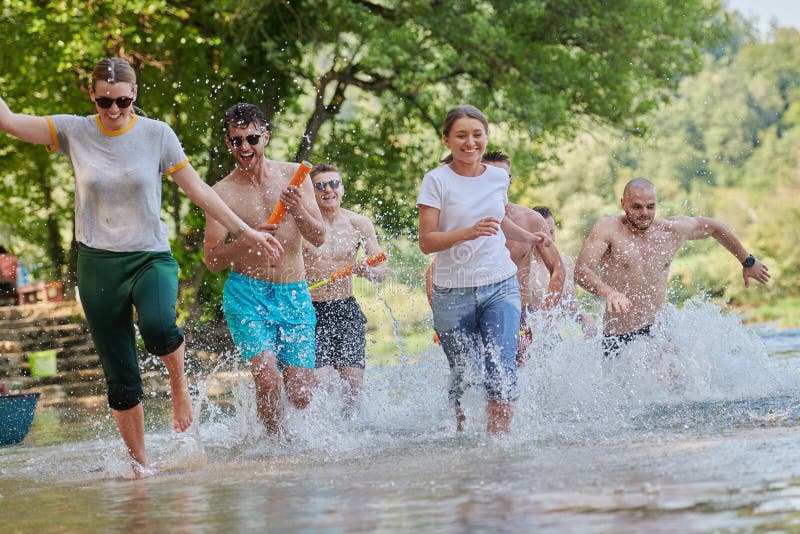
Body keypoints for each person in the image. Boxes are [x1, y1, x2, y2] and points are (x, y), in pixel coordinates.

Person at [0, 58, 282, 477]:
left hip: (150, 256)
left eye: (123, 100)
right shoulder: (73, 130)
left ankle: (178, 384)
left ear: (135, 95)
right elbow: (6, 120)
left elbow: (199, 191)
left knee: (158, 326)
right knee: (120, 374)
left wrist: (246, 230)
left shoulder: (157, 135)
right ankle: (140, 467)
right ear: (91, 96)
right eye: (104, 101)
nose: (114, 110)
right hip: (97, 264)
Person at [417, 104, 552, 434]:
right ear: (447, 140)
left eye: (477, 135)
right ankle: (465, 439)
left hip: (500, 285)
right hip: (453, 290)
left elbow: (499, 218)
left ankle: (498, 447)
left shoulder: (497, 177)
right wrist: (468, 233)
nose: (470, 142)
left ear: (485, 137)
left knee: (501, 369)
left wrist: (529, 236)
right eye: (461, 135)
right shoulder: (435, 181)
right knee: (465, 374)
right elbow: (427, 241)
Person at [204, 103, 326, 434]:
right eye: (236, 141)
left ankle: (299, 444)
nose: (244, 148)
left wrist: (299, 210)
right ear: (228, 143)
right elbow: (212, 260)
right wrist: (247, 238)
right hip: (247, 294)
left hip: (294, 292)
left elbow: (319, 237)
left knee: (301, 394)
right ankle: (272, 451)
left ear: (266, 137)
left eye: (251, 139)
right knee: (269, 382)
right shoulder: (221, 193)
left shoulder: (295, 177)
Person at [574, 177, 770, 359]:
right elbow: (581, 271)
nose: (644, 213)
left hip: (659, 330)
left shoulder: (670, 231)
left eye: (650, 207)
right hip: (619, 338)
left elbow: (714, 228)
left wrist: (747, 261)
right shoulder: (608, 230)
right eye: (637, 207)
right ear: (623, 203)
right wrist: (608, 293)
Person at [302, 163, 387, 416]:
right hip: (310, 309)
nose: (328, 189)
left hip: (344, 307)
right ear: (312, 191)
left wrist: (368, 270)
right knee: (321, 381)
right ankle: (320, 435)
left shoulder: (359, 224)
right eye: (320, 186)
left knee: (354, 386)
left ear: (342, 188)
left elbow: (381, 272)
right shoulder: (302, 224)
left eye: (333, 184)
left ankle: (351, 436)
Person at [482, 152, 565, 366]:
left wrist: (546, 312)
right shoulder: (464, 218)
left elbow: (557, 267)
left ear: (509, 181)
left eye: (501, 177)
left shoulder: (531, 220)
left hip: (520, 314)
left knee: (519, 370)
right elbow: (435, 269)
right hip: (479, 311)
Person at [531, 206, 596, 336]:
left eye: (552, 232)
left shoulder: (565, 262)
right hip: (528, 338)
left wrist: (584, 317)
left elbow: (569, 306)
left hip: (554, 337)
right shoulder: (523, 266)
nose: (550, 238)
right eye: (544, 232)